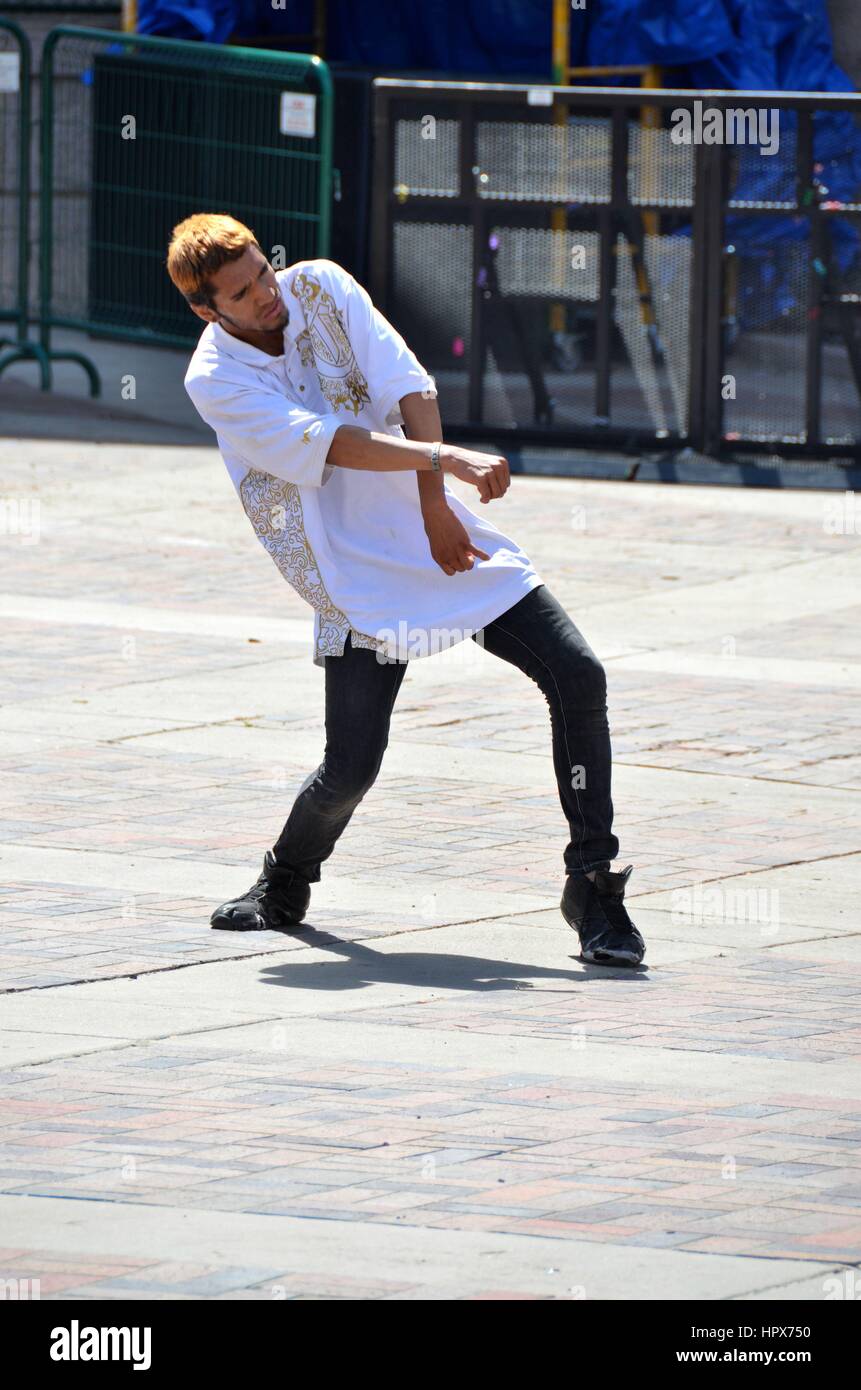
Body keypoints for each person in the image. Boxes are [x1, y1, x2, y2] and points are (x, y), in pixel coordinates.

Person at [165, 213, 645, 966]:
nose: (266, 293)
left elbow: (406, 384)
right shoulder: (215, 381)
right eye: (242, 290)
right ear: (207, 310)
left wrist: (433, 506)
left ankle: (592, 885)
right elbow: (330, 444)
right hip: (352, 572)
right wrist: (445, 459)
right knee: (351, 766)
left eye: (262, 270)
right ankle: (285, 878)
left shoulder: (319, 285)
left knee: (577, 673)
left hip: (440, 538)